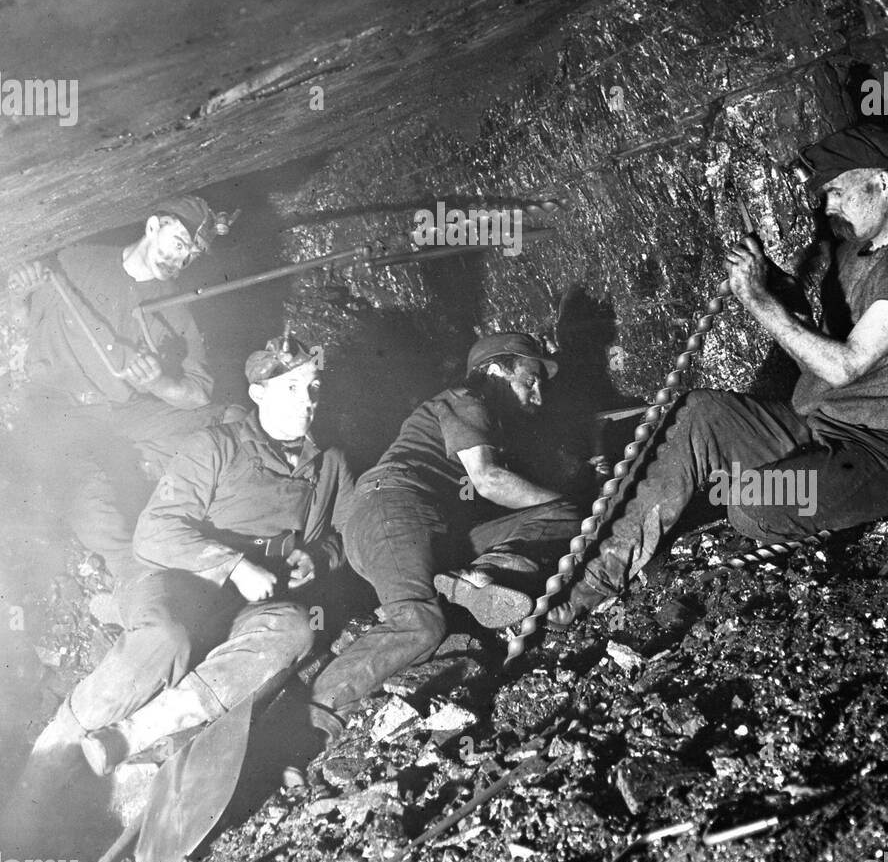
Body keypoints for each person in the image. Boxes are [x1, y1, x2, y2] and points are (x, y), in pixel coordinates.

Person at [554, 121, 888, 623]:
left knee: (750, 507)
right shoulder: (856, 252)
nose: (828, 206)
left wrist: (756, 301)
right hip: (821, 422)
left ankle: (856, 514)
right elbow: (823, 338)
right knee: (698, 412)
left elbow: (846, 364)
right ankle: (591, 583)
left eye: (837, 191)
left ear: (883, 184)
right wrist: (777, 288)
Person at [38, 328, 355, 776]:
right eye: (291, 387)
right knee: (166, 638)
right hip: (176, 583)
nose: (307, 400)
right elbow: (154, 533)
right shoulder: (215, 446)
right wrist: (234, 564)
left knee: (295, 631)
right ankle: (53, 753)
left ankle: (136, 735)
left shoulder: (329, 465)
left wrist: (320, 556)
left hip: (250, 604)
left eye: (313, 388)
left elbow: (348, 533)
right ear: (258, 394)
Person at [305, 332, 584, 732]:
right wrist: (571, 494)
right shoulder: (466, 398)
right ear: (493, 370)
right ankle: (319, 712)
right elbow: (488, 481)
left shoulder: (495, 425)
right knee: (420, 622)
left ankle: (477, 577)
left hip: (434, 530)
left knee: (565, 515)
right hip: (391, 510)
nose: (538, 394)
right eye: (530, 378)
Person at [6, 197, 232, 579]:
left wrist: (158, 382)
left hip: (116, 413)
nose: (179, 261)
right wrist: (18, 292)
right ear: (153, 226)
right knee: (91, 498)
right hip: (53, 406)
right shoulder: (79, 260)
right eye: (177, 244)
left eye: (189, 255)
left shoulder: (173, 305)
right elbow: (25, 323)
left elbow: (199, 394)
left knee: (226, 417)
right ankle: (138, 575)